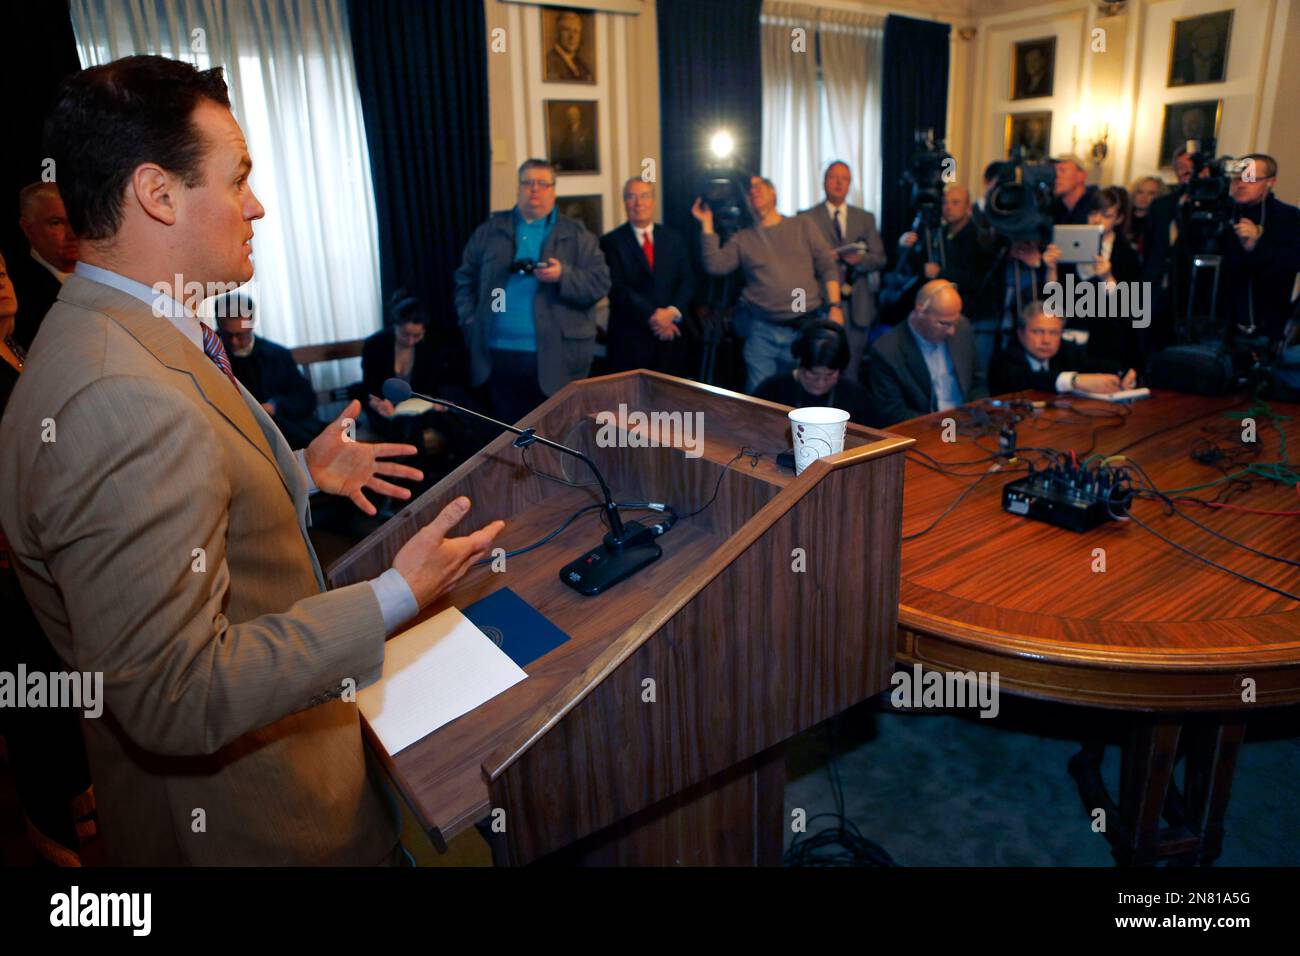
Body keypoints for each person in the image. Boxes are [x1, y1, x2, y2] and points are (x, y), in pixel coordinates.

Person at [0, 54, 506, 866]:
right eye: (236, 180)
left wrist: (294, 475)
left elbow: (176, 520)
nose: (257, 206)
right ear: (157, 194)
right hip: (256, 830)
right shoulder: (115, 393)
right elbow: (175, 690)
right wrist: (394, 594)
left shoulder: (125, 334)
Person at [0, 250, 100, 865]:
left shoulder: (19, 349)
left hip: (45, 547)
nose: (4, 284)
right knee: (25, 693)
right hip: (9, 562)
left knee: (59, 679)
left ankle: (75, 790)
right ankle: (46, 823)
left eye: (4, 272)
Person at [454, 158, 610, 424]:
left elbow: (600, 283)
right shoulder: (491, 230)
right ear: (518, 188)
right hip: (496, 357)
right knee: (505, 440)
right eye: (527, 183)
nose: (534, 189)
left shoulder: (577, 234)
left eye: (542, 183)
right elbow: (464, 279)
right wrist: (470, 320)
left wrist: (564, 275)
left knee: (555, 438)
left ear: (553, 190)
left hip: (557, 359)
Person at [693, 175, 844, 393]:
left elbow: (827, 265)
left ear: (774, 192)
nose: (754, 190)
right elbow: (716, 265)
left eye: (759, 186)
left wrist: (835, 307)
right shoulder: (743, 238)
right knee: (760, 397)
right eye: (749, 189)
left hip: (804, 327)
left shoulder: (801, 225)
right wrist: (706, 223)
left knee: (801, 394)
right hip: (762, 330)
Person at [363, 289, 479, 476]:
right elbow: (370, 386)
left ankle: (459, 477)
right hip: (385, 409)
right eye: (405, 334)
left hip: (418, 407)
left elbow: (435, 384)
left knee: (458, 426)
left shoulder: (429, 347)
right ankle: (414, 486)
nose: (410, 341)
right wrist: (377, 403)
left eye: (416, 336)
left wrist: (438, 401)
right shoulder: (376, 345)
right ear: (396, 326)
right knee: (406, 429)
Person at [797, 161, 886, 384]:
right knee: (819, 367)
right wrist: (822, 257)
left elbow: (880, 258)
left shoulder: (865, 218)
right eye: (833, 177)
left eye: (844, 179)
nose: (838, 183)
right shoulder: (806, 217)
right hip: (820, 302)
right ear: (824, 182)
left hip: (858, 304)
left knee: (850, 371)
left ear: (849, 184)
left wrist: (860, 259)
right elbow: (797, 260)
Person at [600, 177, 695, 377]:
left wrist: (671, 313)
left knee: (671, 405)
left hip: (671, 337)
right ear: (624, 202)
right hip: (629, 339)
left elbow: (688, 281)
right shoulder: (610, 242)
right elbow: (617, 288)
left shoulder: (674, 238)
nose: (638, 203)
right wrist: (655, 316)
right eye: (631, 197)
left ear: (653, 200)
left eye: (644, 196)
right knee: (631, 406)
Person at [868, 279, 988, 426]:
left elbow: (977, 380)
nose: (952, 331)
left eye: (955, 321)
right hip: (925, 429)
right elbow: (893, 412)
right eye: (944, 323)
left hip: (968, 422)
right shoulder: (887, 351)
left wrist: (978, 412)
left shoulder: (962, 327)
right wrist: (944, 426)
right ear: (920, 311)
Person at [214, 290, 320, 448]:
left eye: (241, 335)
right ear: (219, 326)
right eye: (228, 335)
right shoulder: (210, 358)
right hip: (236, 435)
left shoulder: (277, 355)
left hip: (282, 431)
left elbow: (305, 399)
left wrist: (275, 406)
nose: (234, 342)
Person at [1219, 154, 1300, 342]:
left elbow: (1290, 265)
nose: (1241, 184)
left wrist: (1257, 246)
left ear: (1271, 181)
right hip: (1217, 320)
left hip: (1263, 323)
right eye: (1237, 178)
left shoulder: (1288, 217)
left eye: (1251, 178)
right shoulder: (1222, 213)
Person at [899, 184, 995, 343]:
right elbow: (917, 267)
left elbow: (980, 281)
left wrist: (941, 273)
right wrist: (904, 246)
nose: (948, 207)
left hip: (972, 316)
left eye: (955, 202)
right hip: (939, 315)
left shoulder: (979, 238)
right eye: (945, 202)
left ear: (968, 207)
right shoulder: (937, 233)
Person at [990, 301, 1137, 396]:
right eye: (1038, 332)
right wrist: (1074, 381)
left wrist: (1123, 372)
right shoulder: (1005, 359)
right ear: (1020, 333)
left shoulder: (1066, 351)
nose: (1046, 340)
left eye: (1054, 333)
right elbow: (1030, 380)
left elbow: (1093, 364)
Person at [754, 319, 875, 426]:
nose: (821, 382)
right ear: (800, 362)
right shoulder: (772, 391)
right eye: (813, 374)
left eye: (830, 375)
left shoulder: (857, 396)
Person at [1073, 186, 1142, 368]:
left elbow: (1133, 309)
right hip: (1073, 333)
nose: (1097, 220)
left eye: (1106, 215)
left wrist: (1108, 279)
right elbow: (1055, 298)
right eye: (1093, 213)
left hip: (1110, 338)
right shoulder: (1071, 245)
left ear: (1118, 219)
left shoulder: (1127, 255)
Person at [10, 182, 79, 348]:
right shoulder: (16, 296)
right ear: (28, 228)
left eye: (76, 219)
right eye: (56, 223)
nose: (72, 233)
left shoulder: (107, 272)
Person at [1124, 175, 1167, 260]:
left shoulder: (1160, 224)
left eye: (1151, 193)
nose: (1144, 197)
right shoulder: (1122, 219)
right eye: (1140, 192)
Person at [545, 10, 593, 82]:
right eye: (567, 30)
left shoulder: (582, 66)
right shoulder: (548, 62)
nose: (572, 37)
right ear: (558, 33)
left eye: (576, 31)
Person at [1050, 155, 1097, 226]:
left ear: (1081, 176)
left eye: (1062, 170)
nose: (1056, 176)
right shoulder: (1052, 209)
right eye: (1054, 172)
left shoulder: (1097, 206)